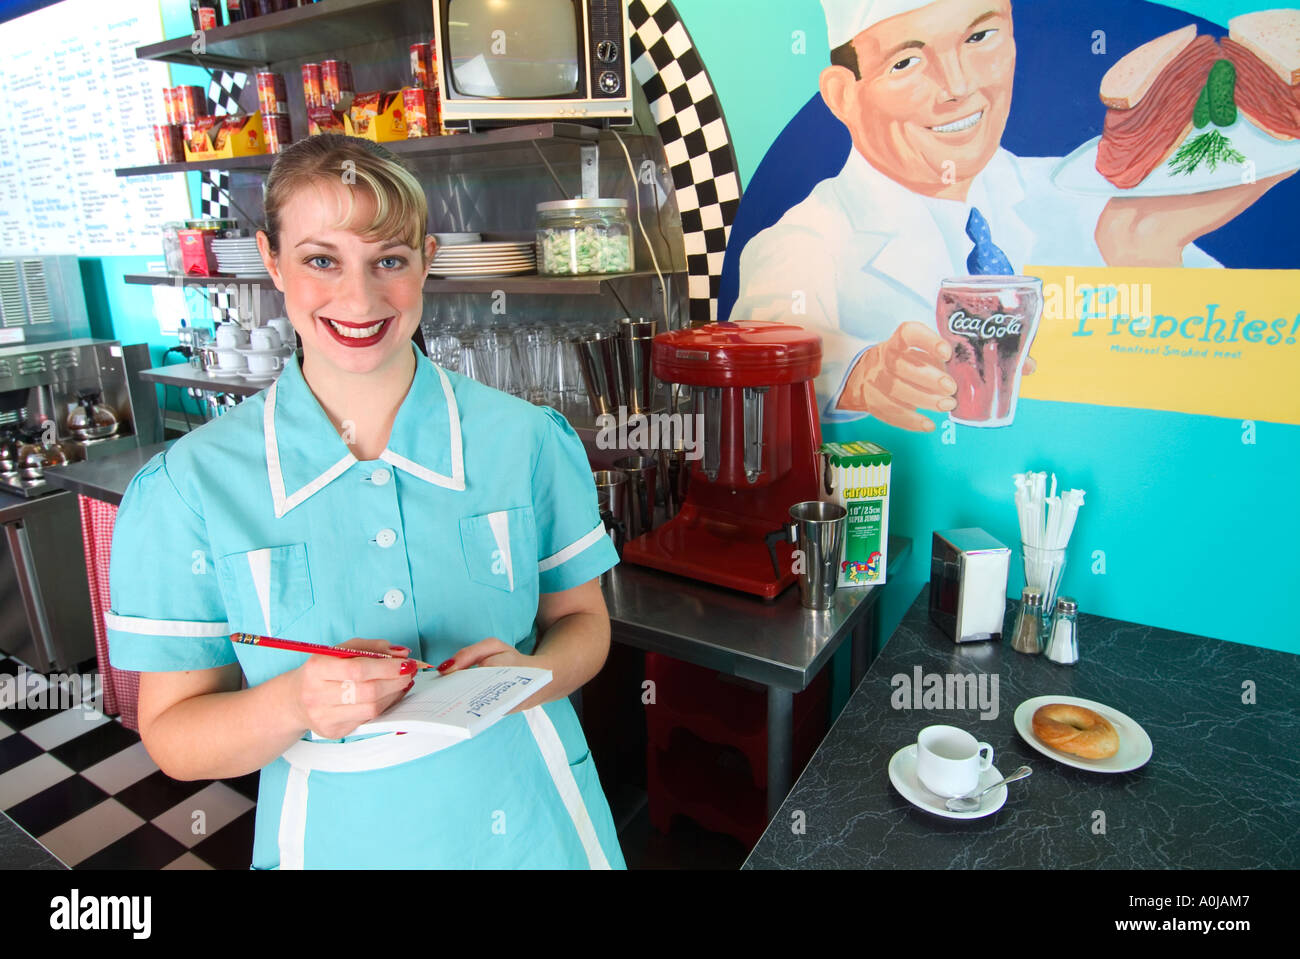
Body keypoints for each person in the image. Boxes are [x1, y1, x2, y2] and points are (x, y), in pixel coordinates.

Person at [105, 134, 626, 869]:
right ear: (272, 260)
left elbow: (583, 625)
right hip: (337, 841)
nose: (360, 297)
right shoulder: (190, 488)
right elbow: (174, 736)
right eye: (322, 259)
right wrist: (294, 704)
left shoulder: (527, 439)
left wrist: (530, 673)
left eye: (390, 260)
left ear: (427, 260)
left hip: (537, 822)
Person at [733, 0, 1286, 430]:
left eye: (980, 37)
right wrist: (863, 372)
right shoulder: (806, 240)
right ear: (842, 96)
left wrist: (1145, 251)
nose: (958, 86)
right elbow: (757, 359)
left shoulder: (1083, 195)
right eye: (906, 61)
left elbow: (1236, 373)